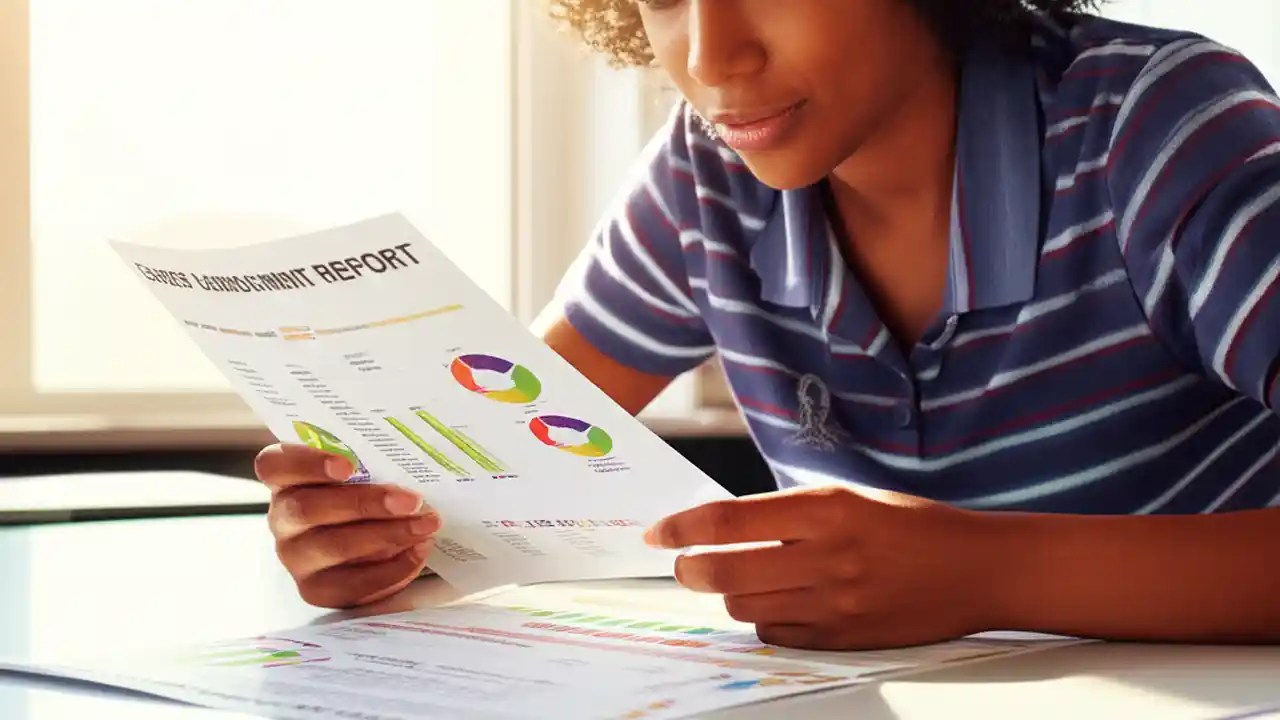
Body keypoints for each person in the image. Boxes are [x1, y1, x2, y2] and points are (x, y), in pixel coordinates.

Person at [254, 0, 1280, 650]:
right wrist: (385, 531)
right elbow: (491, 474)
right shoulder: (711, 172)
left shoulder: (1157, 128)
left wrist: (988, 572)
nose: (711, 57)